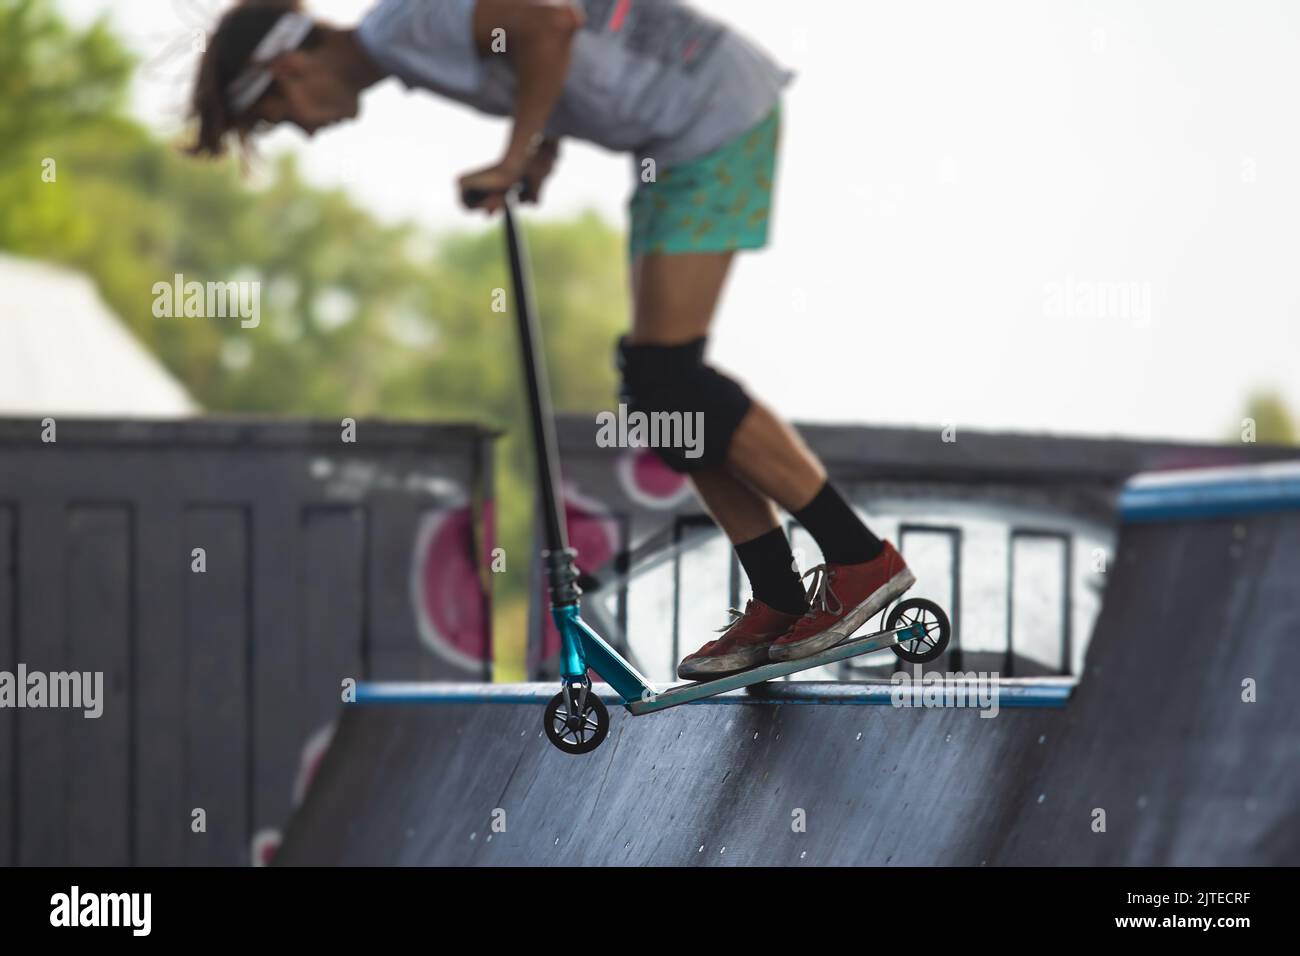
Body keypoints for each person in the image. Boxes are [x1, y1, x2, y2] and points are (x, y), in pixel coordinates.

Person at [189, 0, 915, 680]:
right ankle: (780, 596)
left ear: (288, 67)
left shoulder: (404, 29)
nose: (304, 130)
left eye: (280, 114)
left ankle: (859, 558)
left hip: (713, 117)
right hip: (684, 126)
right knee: (657, 385)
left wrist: (513, 154)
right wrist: (541, 148)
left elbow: (551, 24)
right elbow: (562, 33)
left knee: (671, 379)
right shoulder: (405, 39)